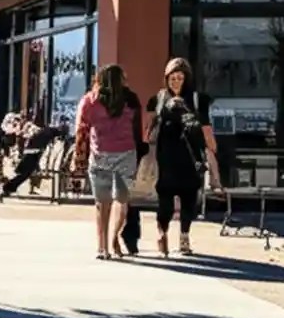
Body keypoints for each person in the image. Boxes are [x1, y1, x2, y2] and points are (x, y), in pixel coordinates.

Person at [145, 57, 218, 257]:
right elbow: (148, 131)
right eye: (172, 78)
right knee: (165, 202)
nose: (176, 82)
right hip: (166, 158)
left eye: (180, 78)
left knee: (189, 201)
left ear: (187, 79)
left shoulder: (197, 100)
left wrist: (212, 151)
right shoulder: (159, 99)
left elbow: (206, 129)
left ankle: (184, 237)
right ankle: (162, 233)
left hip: (190, 158)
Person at [73, 64, 144, 260]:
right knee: (122, 199)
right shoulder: (131, 100)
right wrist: (140, 151)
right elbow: (137, 129)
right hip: (126, 154)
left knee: (101, 203)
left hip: (99, 155)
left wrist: (78, 159)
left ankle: (102, 247)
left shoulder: (89, 101)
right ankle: (114, 237)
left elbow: (81, 131)